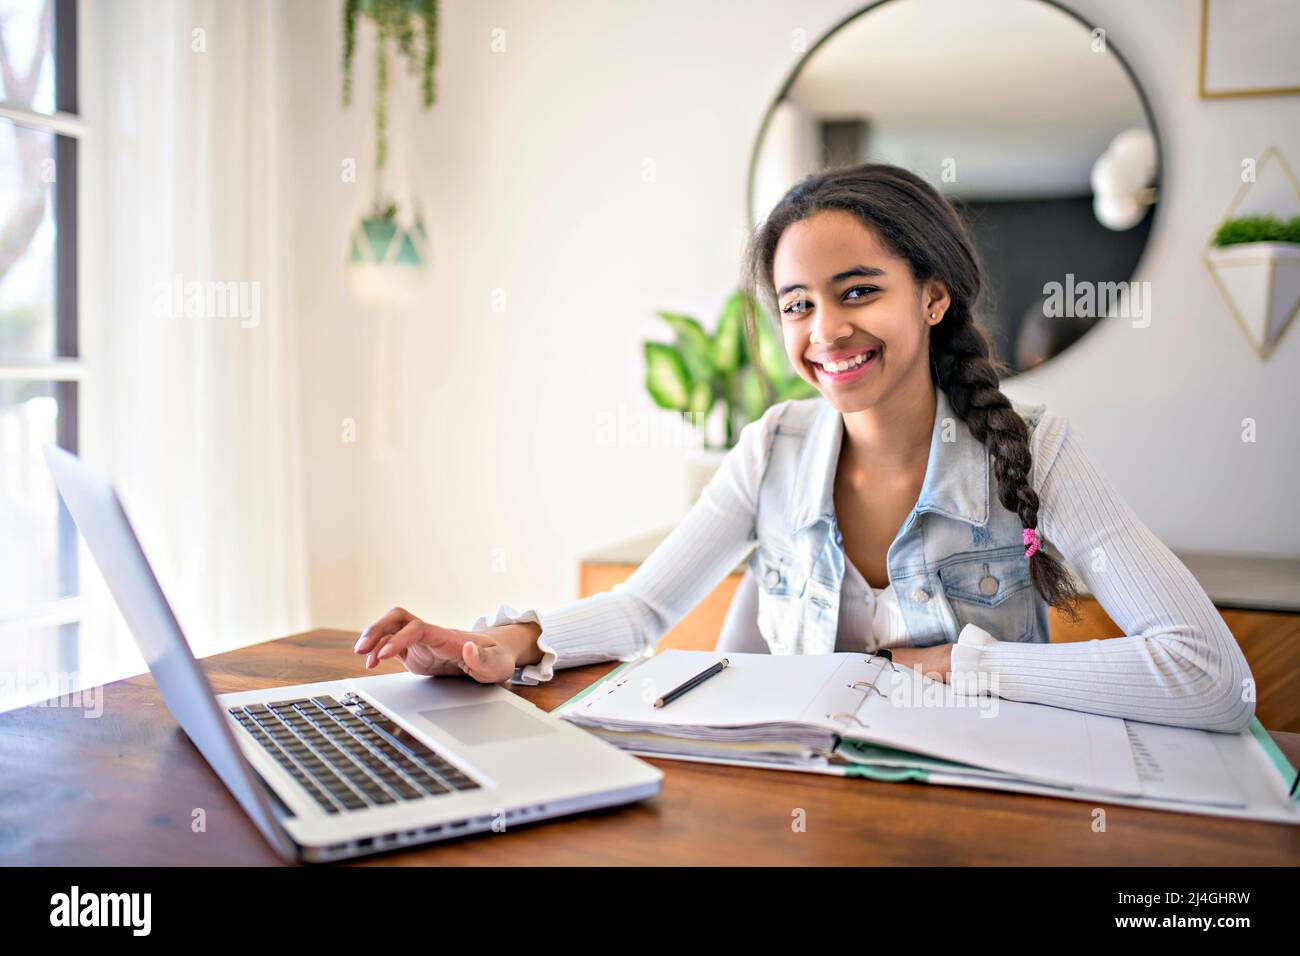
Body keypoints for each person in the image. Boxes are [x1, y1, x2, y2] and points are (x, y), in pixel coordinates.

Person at [355, 163, 1254, 734]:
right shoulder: (774, 447)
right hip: (801, 798)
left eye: (857, 291)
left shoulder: (1037, 447)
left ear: (932, 298)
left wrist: (960, 665)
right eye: (796, 303)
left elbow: (1212, 678)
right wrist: (502, 643)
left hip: (984, 802)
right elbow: (639, 611)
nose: (826, 331)